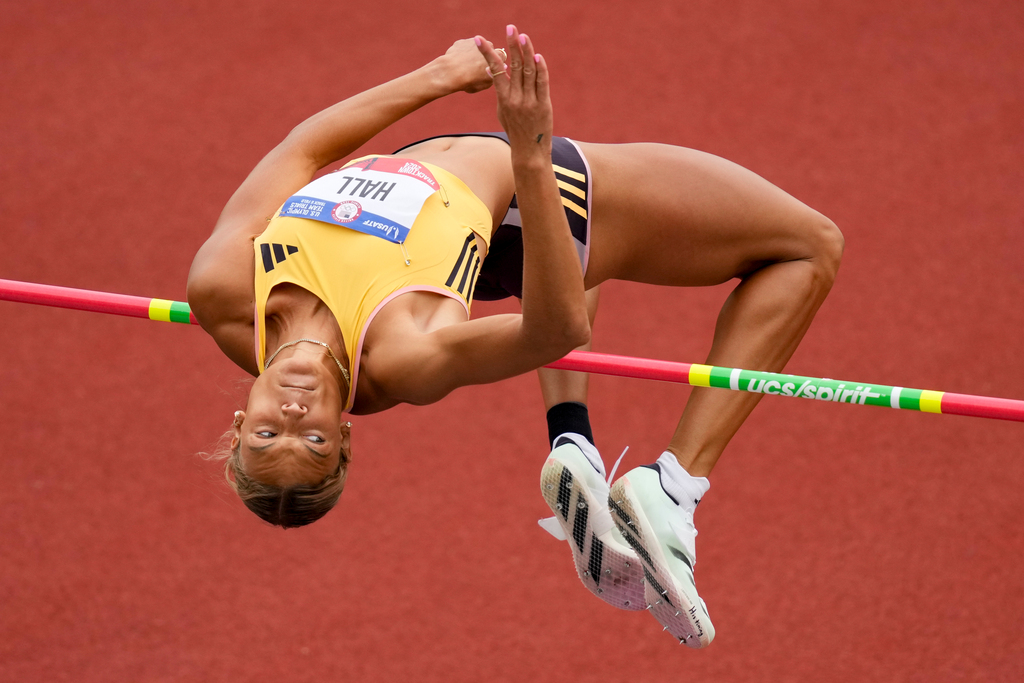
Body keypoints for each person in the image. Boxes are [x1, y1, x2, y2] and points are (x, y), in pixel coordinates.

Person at [186, 27, 843, 647]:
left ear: (242, 419)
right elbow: (555, 328)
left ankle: (573, 438)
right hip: (535, 194)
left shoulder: (225, 292)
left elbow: (300, 151)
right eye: (315, 438)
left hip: (457, 172)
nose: (295, 413)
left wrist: (439, 76)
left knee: (598, 262)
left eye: (270, 432)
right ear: (345, 430)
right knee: (808, 247)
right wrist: (530, 154)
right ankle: (674, 485)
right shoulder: (400, 356)